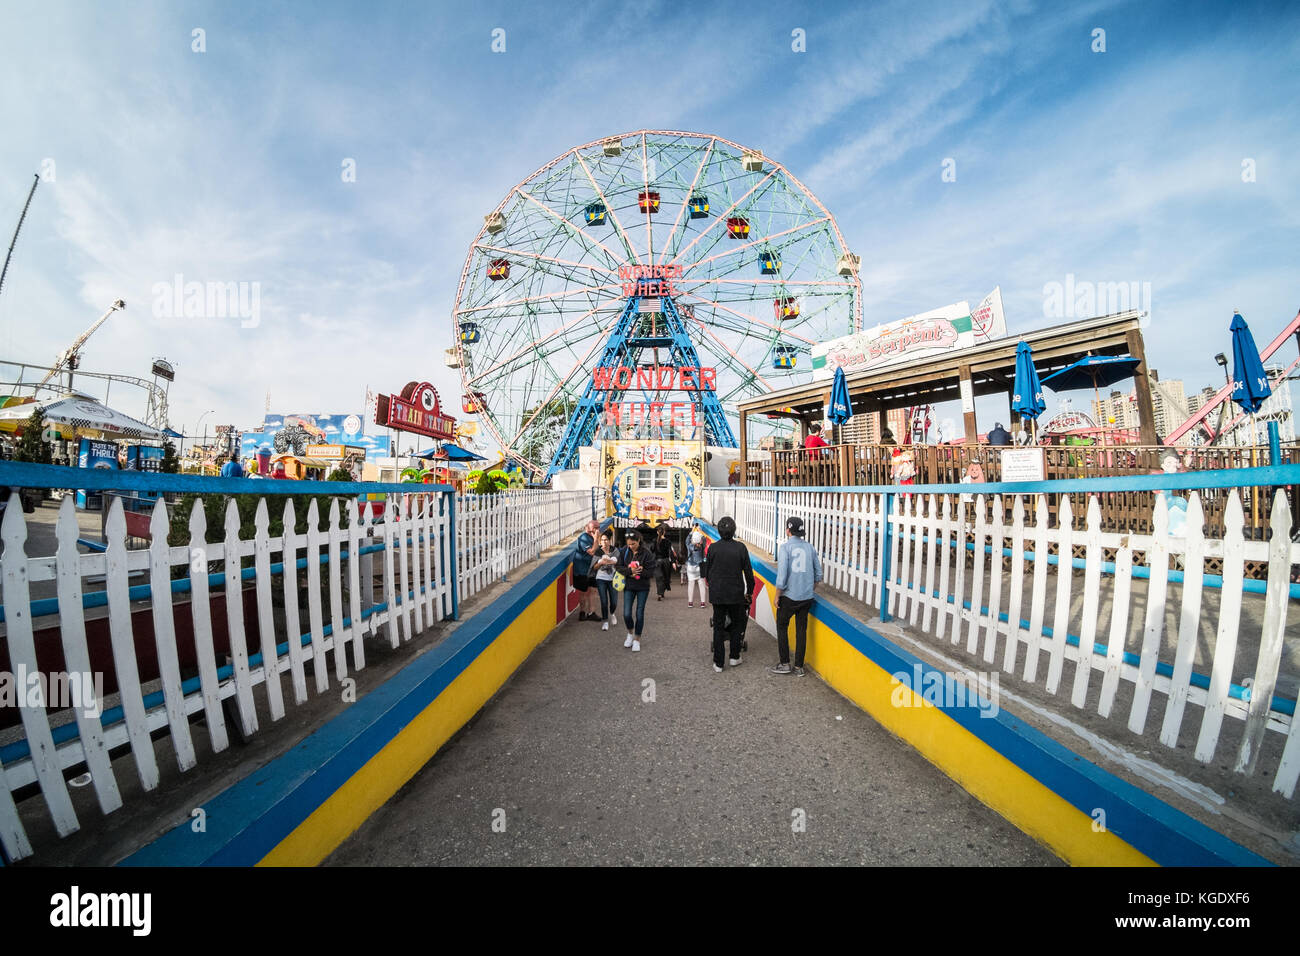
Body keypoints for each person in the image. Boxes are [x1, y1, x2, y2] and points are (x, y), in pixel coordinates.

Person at [770, 516, 823, 676]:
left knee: (782, 626)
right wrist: (809, 589)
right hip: (806, 598)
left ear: (788, 530)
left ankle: (785, 663)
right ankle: (799, 667)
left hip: (789, 597)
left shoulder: (785, 548)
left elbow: (782, 576)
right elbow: (818, 575)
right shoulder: (810, 547)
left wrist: (777, 595)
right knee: (802, 630)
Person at [704, 516, 754, 673]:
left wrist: (712, 586)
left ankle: (718, 663)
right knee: (736, 625)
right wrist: (749, 591)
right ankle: (734, 656)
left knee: (718, 627)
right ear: (734, 531)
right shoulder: (741, 548)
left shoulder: (712, 548)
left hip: (718, 594)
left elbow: (707, 572)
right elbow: (748, 573)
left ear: (718, 531)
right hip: (736, 594)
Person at [615, 530, 656, 651]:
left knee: (639, 613)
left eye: (633, 543)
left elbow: (651, 572)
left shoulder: (647, 553)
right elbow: (618, 567)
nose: (631, 546)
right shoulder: (623, 552)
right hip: (629, 586)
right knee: (626, 613)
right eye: (629, 544)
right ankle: (630, 633)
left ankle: (637, 639)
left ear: (638, 540)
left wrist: (641, 571)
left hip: (643, 587)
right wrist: (630, 571)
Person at [591, 532, 620, 630]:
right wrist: (601, 563)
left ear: (610, 540)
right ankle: (605, 621)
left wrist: (612, 561)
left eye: (606, 540)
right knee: (603, 601)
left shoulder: (615, 550)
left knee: (614, 601)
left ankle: (612, 613)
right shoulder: (598, 552)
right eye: (602, 540)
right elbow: (594, 567)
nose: (604, 542)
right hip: (601, 579)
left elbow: (620, 563)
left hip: (613, 579)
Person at [572, 520, 599, 621]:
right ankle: (582, 612)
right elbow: (592, 552)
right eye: (594, 527)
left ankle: (591, 612)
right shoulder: (584, 538)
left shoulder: (594, 537)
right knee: (583, 592)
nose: (597, 529)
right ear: (587, 527)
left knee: (593, 590)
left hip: (592, 568)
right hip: (581, 570)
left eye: (598, 527)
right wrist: (596, 539)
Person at [684, 523, 709, 607]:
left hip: (691, 567)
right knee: (701, 585)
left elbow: (687, 539)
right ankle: (702, 603)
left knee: (691, 585)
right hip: (700, 567)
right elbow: (704, 539)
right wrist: (699, 530)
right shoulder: (702, 546)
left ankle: (690, 603)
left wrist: (693, 530)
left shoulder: (689, 546)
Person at [652, 525, 678, 601]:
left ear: (657, 532)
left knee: (658, 578)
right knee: (665, 577)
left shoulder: (654, 541)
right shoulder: (668, 541)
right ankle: (661, 592)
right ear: (664, 532)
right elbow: (671, 552)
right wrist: (673, 562)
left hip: (657, 561)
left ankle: (659, 593)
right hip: (666, 561)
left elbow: (651, 551)